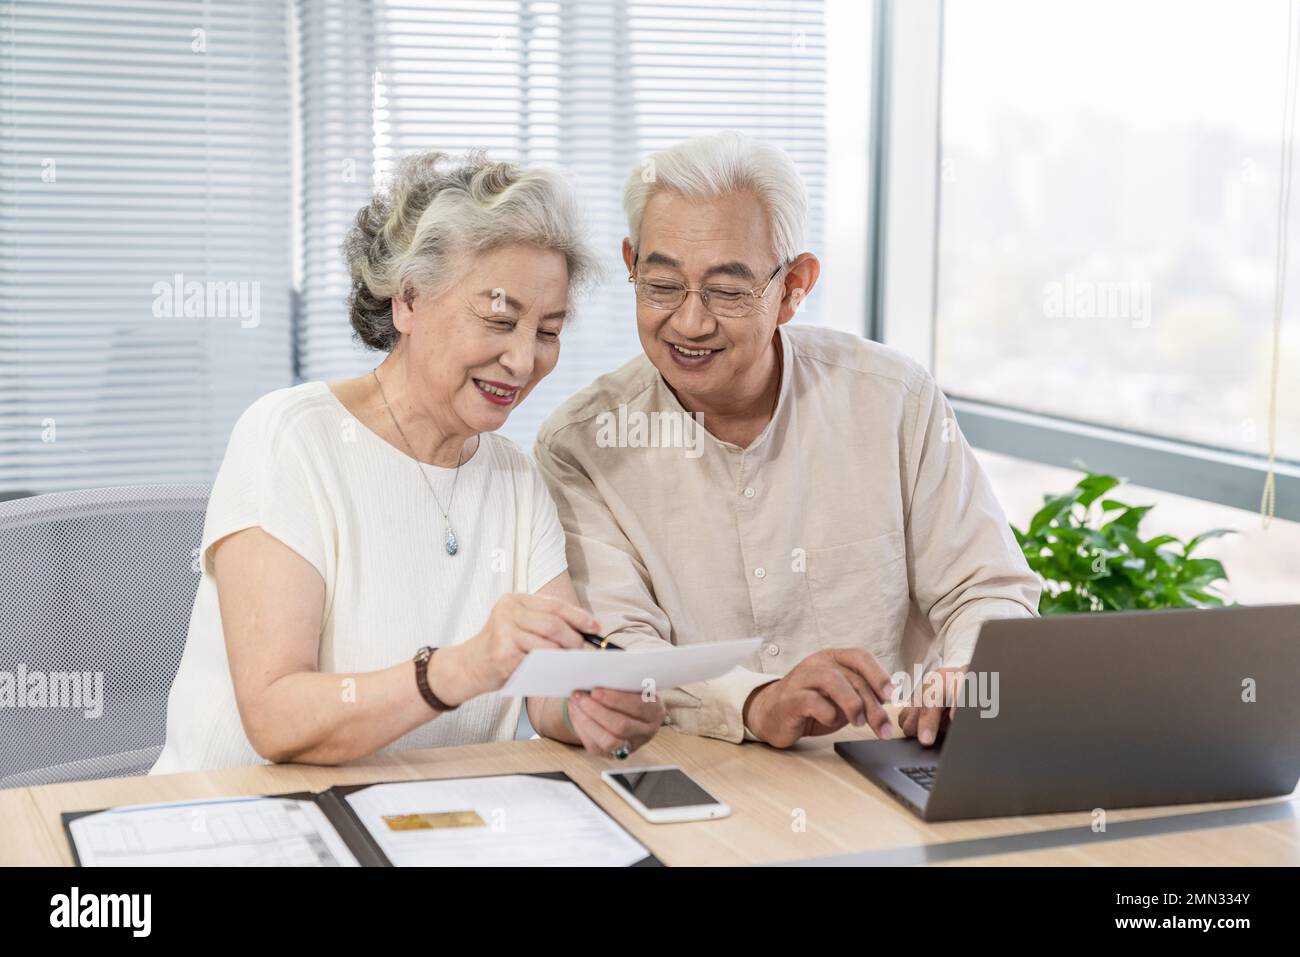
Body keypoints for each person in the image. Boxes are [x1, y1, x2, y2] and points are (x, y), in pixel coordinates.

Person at [151, 150, 666, 774]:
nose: (524, 360)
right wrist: (459, 667)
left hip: (426, 822)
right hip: (239, 825)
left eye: (549, 331)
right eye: (499, 318)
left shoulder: (514, 478)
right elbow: (275, 717)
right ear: (409, 301)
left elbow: (548, 690)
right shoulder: (291, 438)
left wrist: (593, 705)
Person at [535, 131, 1040, 750]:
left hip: (891, 770)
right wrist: (754, 702)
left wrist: (963, 672)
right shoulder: (582, 448)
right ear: (631, 266)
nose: (690, 322)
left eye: (726, 290)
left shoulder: (891, 401)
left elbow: (986, 588)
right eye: (662, 285)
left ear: (793, 287)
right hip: (705, 780)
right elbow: (618, 654)